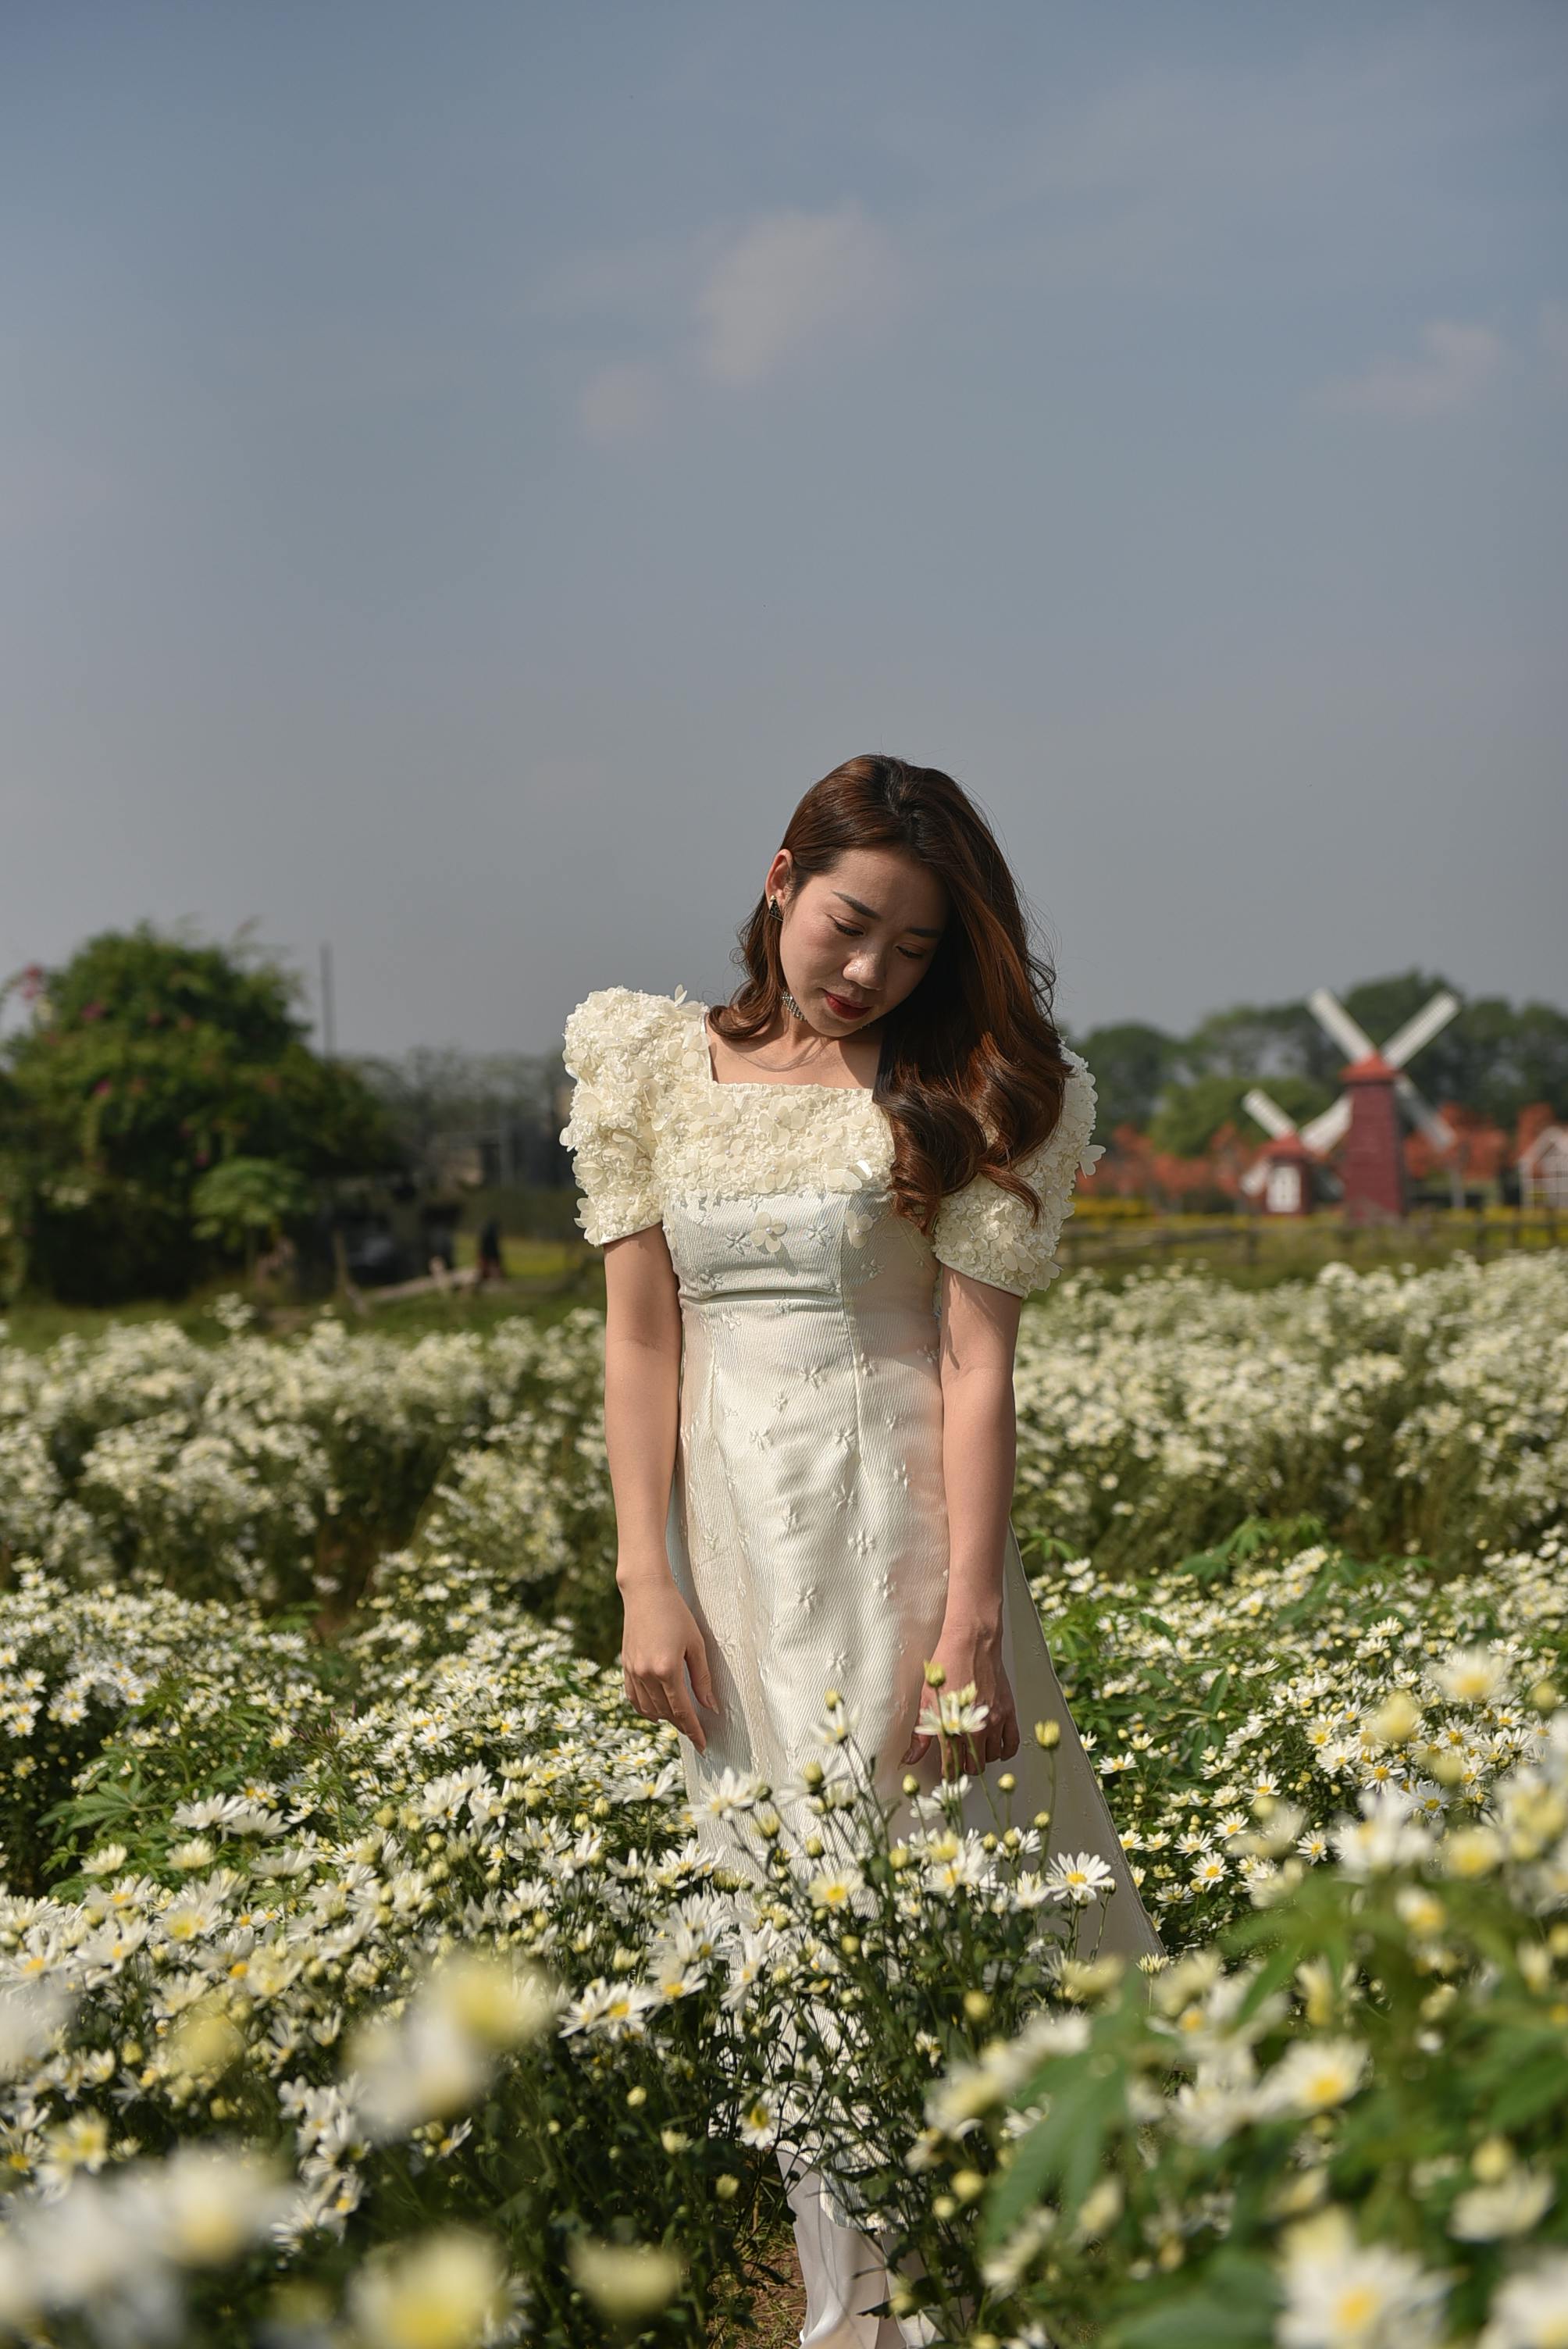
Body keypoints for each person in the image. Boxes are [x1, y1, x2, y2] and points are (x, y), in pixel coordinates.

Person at [560, 754, 1167, 2348]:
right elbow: (639, 1343)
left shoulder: (970, 1085)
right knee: (784, 1907)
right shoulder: (642, 1062)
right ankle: (858, 2302)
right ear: (778, 879)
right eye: (848, 926)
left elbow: (975, 1370)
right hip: (729, 1540)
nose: (868, 972)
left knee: (920, 1889)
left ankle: (975, 2281)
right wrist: (644, 1574)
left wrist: (968, 1620)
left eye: (910, 948)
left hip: (895, 1529)